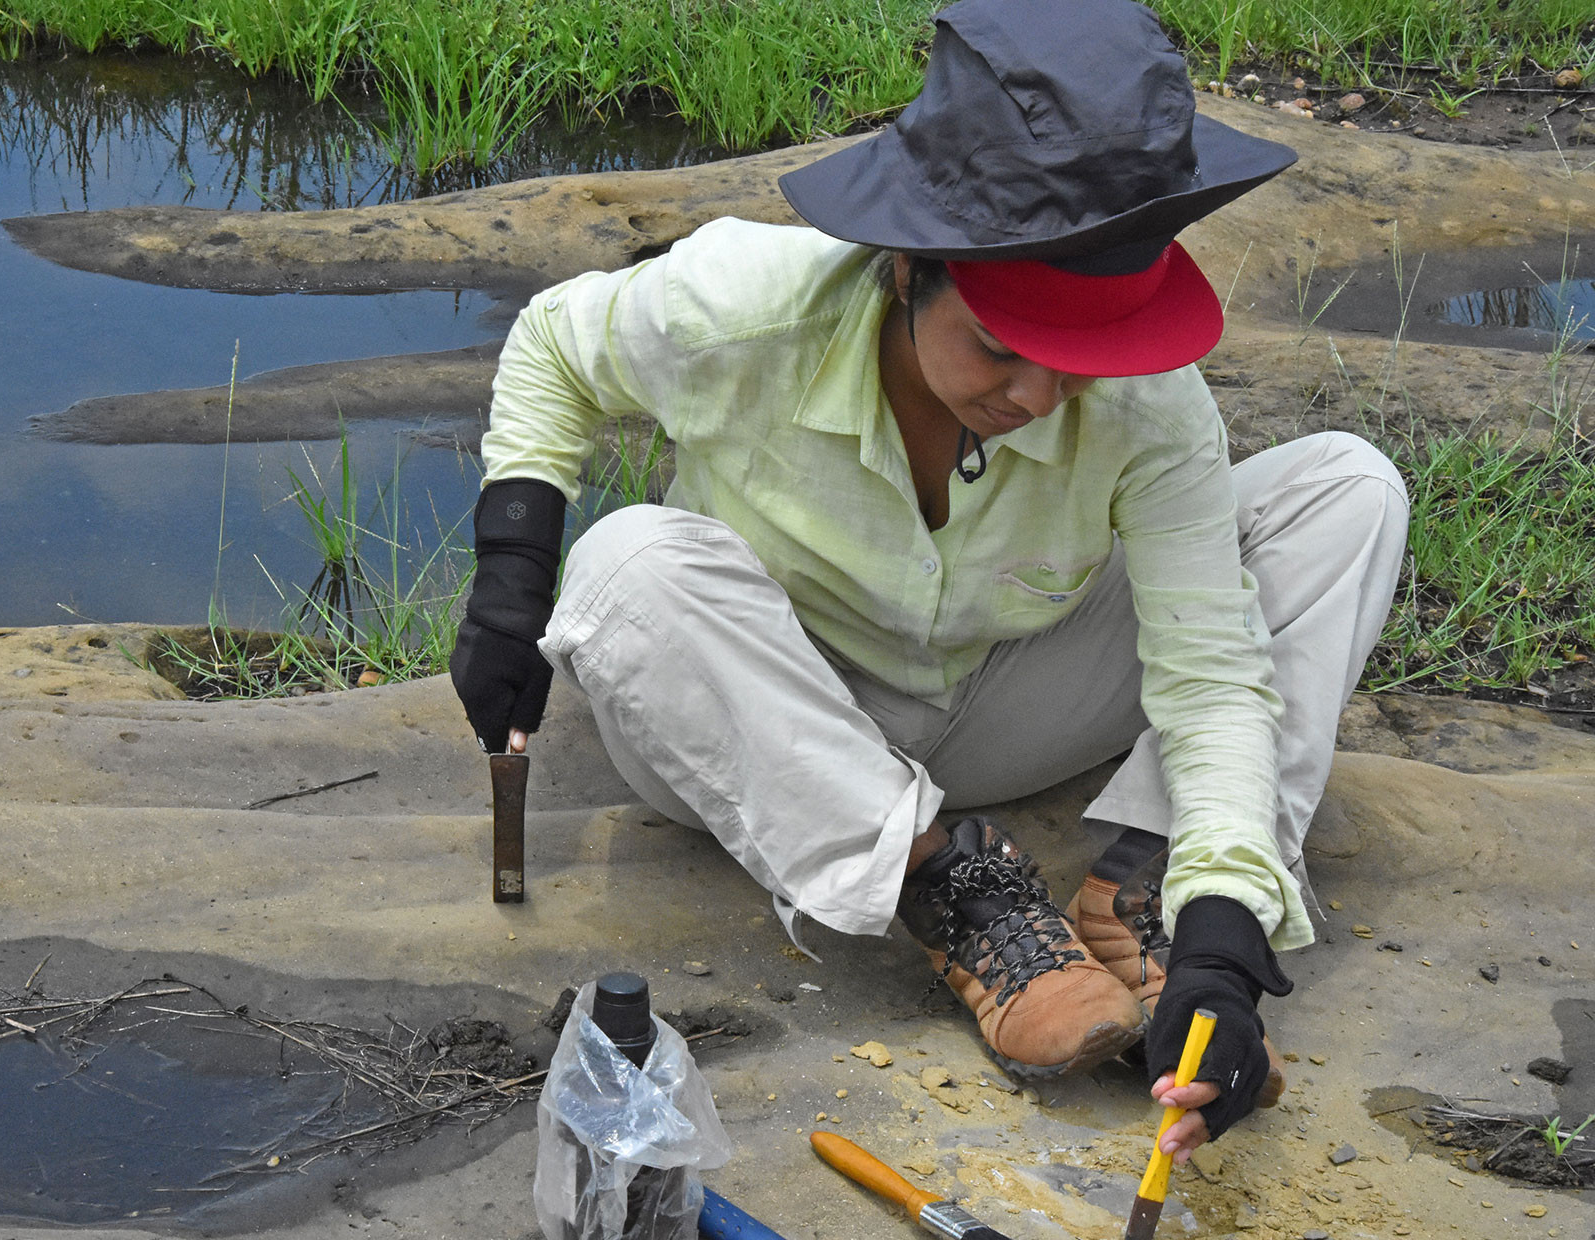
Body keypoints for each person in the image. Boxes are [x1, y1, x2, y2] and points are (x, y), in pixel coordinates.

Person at [450, 0, 1407, 1160]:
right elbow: (554, 342)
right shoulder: (745, 299)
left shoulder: (1149, 403)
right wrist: (513, 562)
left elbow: (1211, 675)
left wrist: (1224, 929)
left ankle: (1152, 882)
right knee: (627, 562)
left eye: (1080, 362)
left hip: (1012, 700)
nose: (1039, 399)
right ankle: (955, 888)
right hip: (778, 713)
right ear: (908, 268)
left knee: (1347, 490)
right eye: (1003, 347)